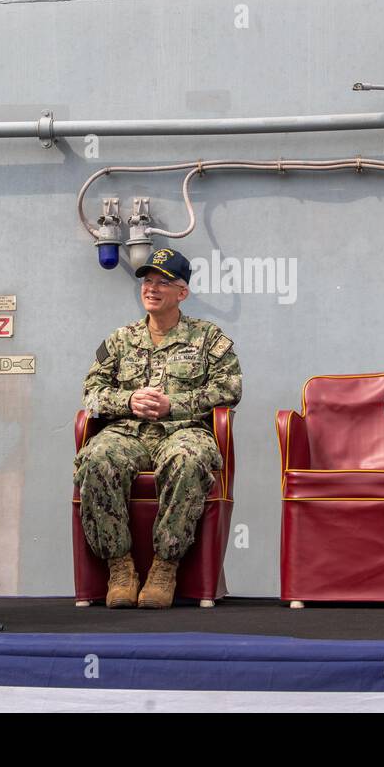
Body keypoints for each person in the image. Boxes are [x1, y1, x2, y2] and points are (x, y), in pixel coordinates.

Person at [75, 248, 242, 608]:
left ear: (182, 292)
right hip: (128, 433)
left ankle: (165, 567)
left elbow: (231, 388)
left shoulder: (208, 337)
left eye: (162, 282)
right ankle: (120, 568)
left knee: (188, 458)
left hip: (183, 430)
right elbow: (91, 393)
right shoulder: (120, 340)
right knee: (96, 457)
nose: (152, 288)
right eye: (148, 281)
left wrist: (174, 405)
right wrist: (129, 400)